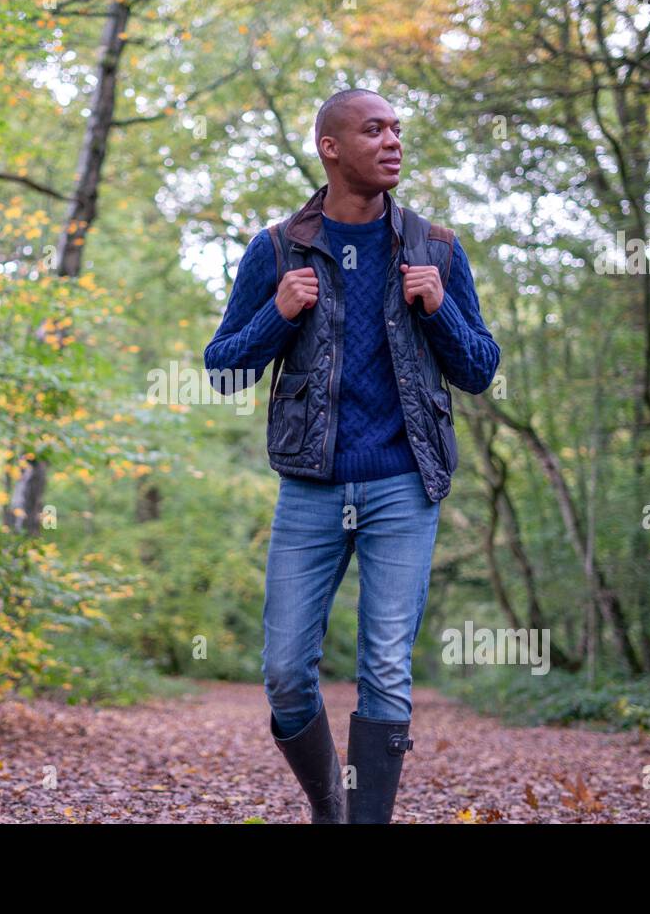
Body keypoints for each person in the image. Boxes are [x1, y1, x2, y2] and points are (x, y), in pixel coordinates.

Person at [203, 88, 500, 823]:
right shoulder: (277, 250)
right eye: (374, 130)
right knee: (284, 675)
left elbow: (481, 368)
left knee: (386, 673)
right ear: (331, 147)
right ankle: (332, 806)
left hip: (405, 482)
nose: (393, 141)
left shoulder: (438, 247)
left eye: (398, 129)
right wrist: (278, 312)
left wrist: (442, 309)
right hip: (310, 485)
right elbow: (223, 369)